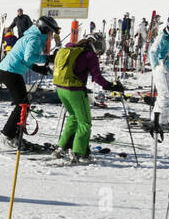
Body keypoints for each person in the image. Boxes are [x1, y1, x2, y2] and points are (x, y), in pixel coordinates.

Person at [52, 32, 123, 163]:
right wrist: (111, 86)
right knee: (85, 123)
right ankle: (79, 153)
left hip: (60, 88)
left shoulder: (70, 48)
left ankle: (61, 147)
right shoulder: (90, 55)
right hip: (75, 91)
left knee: (73, 118)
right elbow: (97, 77)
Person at [0, 14, 60, 146]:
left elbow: (24, 58)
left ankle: (14, 134)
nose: (50, 35)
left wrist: (38, 68)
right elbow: (29, 57)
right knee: (22, 105)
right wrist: (46, 59)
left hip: (11, 71)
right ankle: (8, 134)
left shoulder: (33, 36)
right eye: (50, 32)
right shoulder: (34, 38)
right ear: (44, 28)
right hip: (10, 71)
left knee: (23, 104)